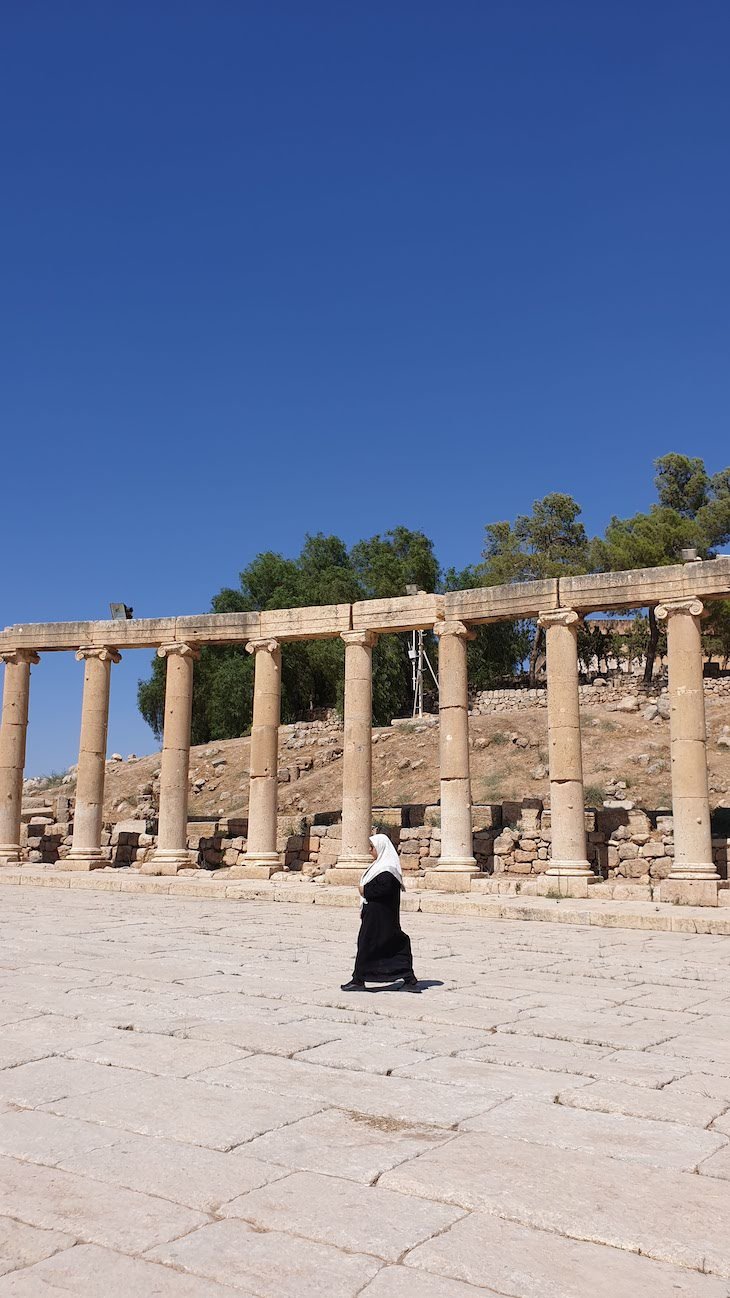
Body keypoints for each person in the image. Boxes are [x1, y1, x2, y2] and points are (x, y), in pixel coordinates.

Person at [341, 832, 420, 992]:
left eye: (372, 847)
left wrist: (365, 890)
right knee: (371, 944)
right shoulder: (380, 866)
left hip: (382, 917)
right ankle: (360, 978)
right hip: (375, 916)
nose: (370, 851)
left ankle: (360, 979)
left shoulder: (388, 869)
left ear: (381, 848)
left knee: (373, 944)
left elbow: (384, 888)